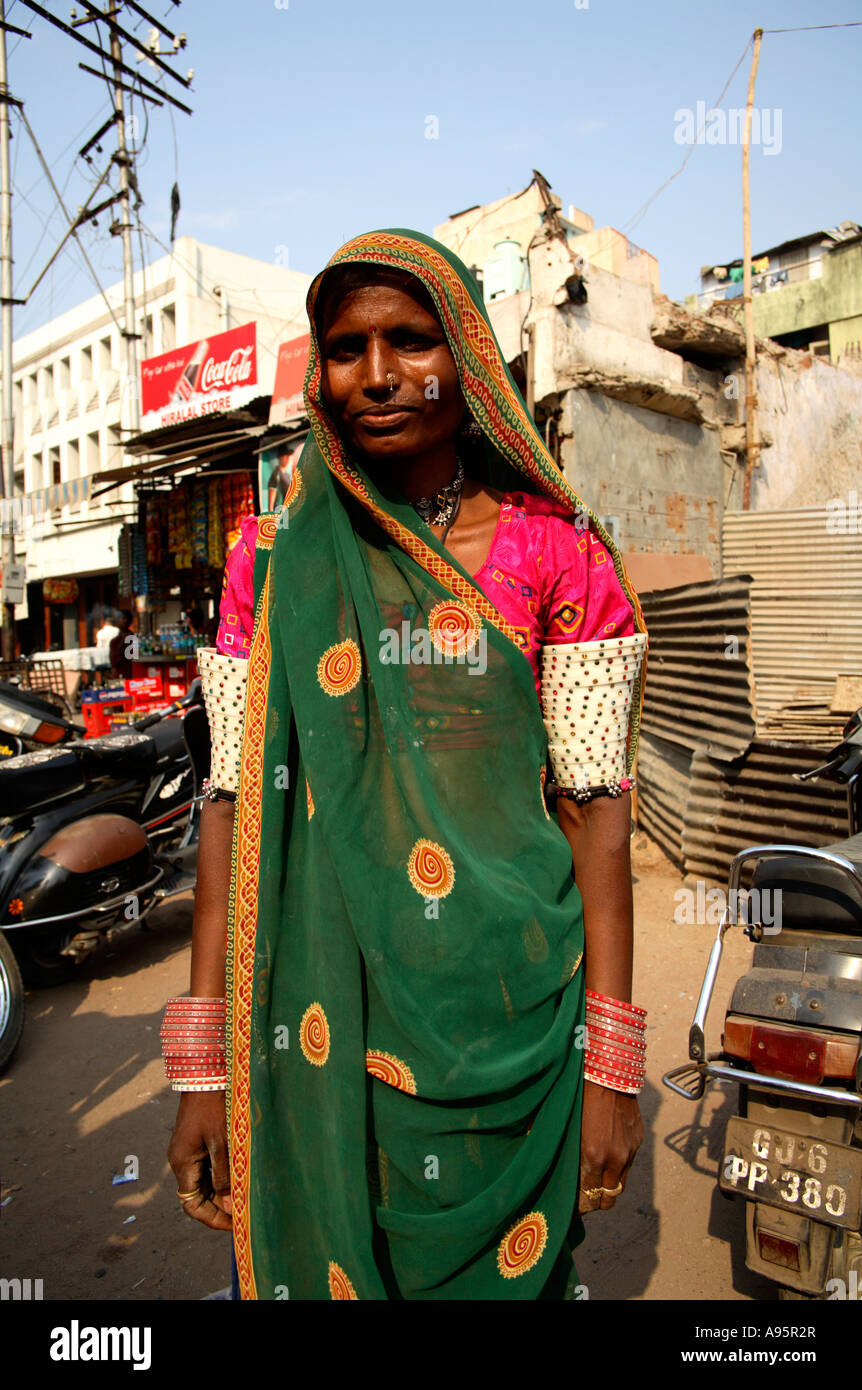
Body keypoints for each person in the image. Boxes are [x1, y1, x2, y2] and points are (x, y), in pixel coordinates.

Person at [167, 228, 649, 1300]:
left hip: (512, 1008)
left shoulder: (553, 552)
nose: (377, 374)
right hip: (328, 1019)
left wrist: (611, 1070)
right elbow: (231, 808)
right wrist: (201, 1064)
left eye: (410, 340)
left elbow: (596, 822)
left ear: (467, 355)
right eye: (346, 348)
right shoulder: (275, 554)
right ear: (319, 370)